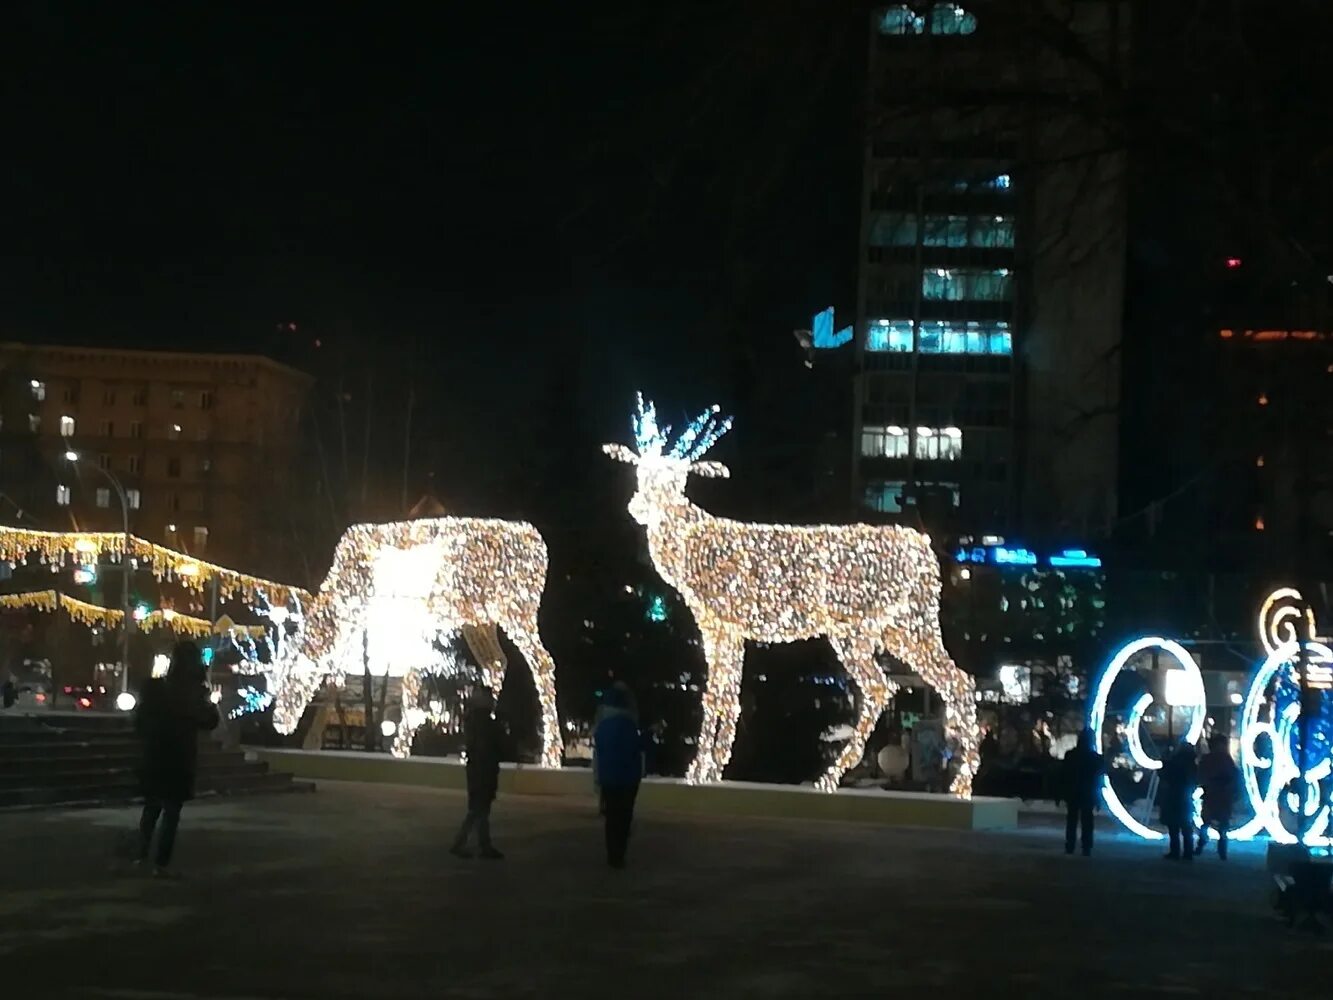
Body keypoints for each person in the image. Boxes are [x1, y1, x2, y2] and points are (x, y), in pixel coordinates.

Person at [133, 641, 220, 876]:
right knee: (171, 812)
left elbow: (140, 722)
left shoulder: (157, 689)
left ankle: (140, 856)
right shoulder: (194, 692)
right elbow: (209, 721)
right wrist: (209, 702)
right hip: (180, 757)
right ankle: (160, 863)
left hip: (156, 754)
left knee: (151, 808)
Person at [450, 689, 503, 860]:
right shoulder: (485, 725)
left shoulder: (474, 723)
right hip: (483, 772)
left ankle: (477, 844)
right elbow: (488, 749)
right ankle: (469, 845)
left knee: (478, 811)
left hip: (478, 772)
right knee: (478, 811)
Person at [594, 682, 642, 869]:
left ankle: (612, 854)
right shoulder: (629, 725)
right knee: (624, 817)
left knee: (612, 817)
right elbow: (635, 751)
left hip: (609, 777)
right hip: (627, 778)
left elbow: (600, 753)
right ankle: (619, 854)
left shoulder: (603, 725)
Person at [1058, 728, 1104, 856]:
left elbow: (1064, 775)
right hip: (1088, 792)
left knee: (1072, 819)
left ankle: (1070, 845)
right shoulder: (1094, 758)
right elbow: (1099, 777)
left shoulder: (1071, 755)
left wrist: (1062, 791)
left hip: (1074, 791)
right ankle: (1086, 847)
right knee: (1087, 820)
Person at [1196, 734, 1239, 859]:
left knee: (1209, 823)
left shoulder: (1212, 759)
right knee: (1219, 824)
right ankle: (1220, 850)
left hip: (1215, 794)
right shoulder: (1225, 759)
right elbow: (1234, 776)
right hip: (1220, 795)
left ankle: (1204, 845)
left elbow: (1201, 775)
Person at [1159, 739, 1199, 861]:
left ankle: (1176, 851)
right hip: (1184, 796)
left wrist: (1165, 761)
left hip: (1175, 795)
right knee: (1184, 826)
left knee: (1175, 826)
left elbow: (1165, 775)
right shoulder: (1192, 764)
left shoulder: (1176, 763)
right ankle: (1187, 852)